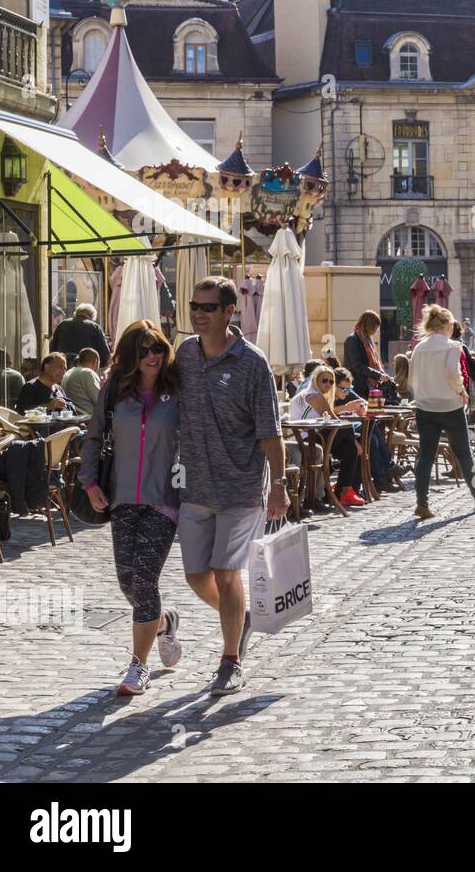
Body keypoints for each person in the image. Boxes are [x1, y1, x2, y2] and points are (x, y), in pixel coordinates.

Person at [176, 276, 289, 697]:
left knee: (226, 572)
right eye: (194, 306)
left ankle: (230, 661)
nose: (198, 314)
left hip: (241, 487)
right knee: (194, 575)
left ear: (229, 311)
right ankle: (239, 617)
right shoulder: (184, 354)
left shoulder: (252, 362)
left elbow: (270, 432)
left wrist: (278, 484)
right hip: (195, 486)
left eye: (207, 307)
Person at [79, 320, 184, 696]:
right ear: (129, 356)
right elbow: (92, 438)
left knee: (143, 576)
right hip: (122, 498)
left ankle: (137, 667)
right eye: (143, 350)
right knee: (128, 582)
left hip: (164, 500)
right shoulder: (114, 392)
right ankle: (164, 620)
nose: (152, 356)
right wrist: (90, 484)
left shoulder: (177, 390)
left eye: (156, 348)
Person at [409, 304, 475, 520]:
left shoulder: (419, 347)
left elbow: (412, 379)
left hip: (424, 407)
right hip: (449, 406)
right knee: (463, 453)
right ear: (447, 326)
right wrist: (461, 391)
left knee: (426, 456)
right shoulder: (452, 346)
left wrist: (422, 395)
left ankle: (422, 504)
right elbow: (452, 372)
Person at [288, 366, 366, 508]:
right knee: (348, 429)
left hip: (313, 436)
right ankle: (343, 492)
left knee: (350, 450)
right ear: (315, 380)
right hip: (306, 439)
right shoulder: (315, 396)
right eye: (324, 380)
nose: (328, 385)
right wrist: (355, 441)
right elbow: (335, 420)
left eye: (331, 382)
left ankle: (344, 491)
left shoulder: (312, 394)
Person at [344, 310, 391, 400]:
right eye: (375, 327)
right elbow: (357, 365)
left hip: (367, 386)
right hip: (356, 387)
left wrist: (384, 375)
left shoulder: (368, 339)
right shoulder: (352, 339)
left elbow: (375, 363)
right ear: (369, 325)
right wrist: (379, 375)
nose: (376, 331)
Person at [61, 348, 103, 415]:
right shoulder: (87, 373)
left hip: (71, 416)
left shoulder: (68, 372)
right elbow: (101, 401)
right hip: (86, 419)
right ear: (95, 362)